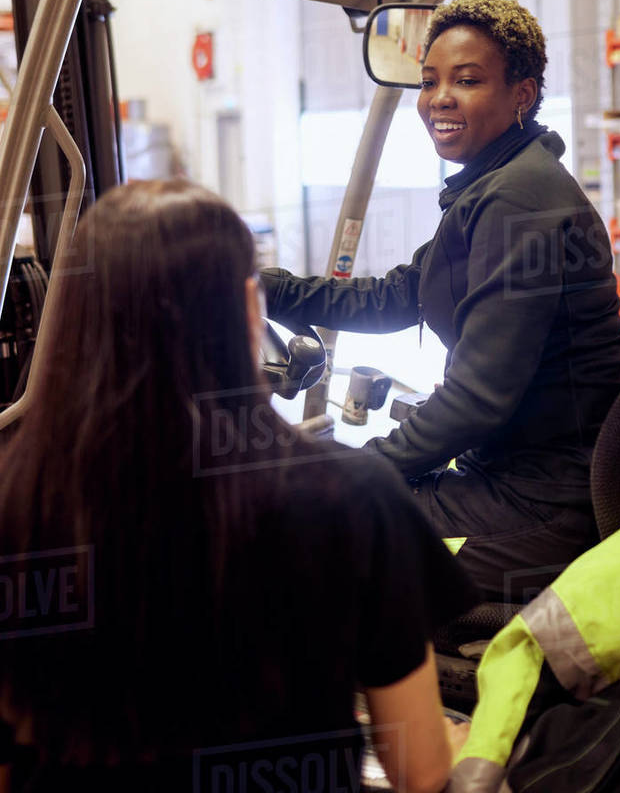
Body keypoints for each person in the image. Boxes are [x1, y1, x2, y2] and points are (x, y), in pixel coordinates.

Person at [0, 179, 477, 792]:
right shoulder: (356, 499)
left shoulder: (19, 505)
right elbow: (421, 770)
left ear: (75, 320)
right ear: (250, 312)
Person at [263, 0, 620, 601]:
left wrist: (354, 470)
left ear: (522, 95)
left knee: (299, 534)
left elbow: (477, 400)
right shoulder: (497, 186)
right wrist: (265, 289)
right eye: (429, 80)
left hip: (538, 506)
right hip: (520, 476)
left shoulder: (519, 201)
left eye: (467, 80)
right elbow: (394, 298)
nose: (439, 98)